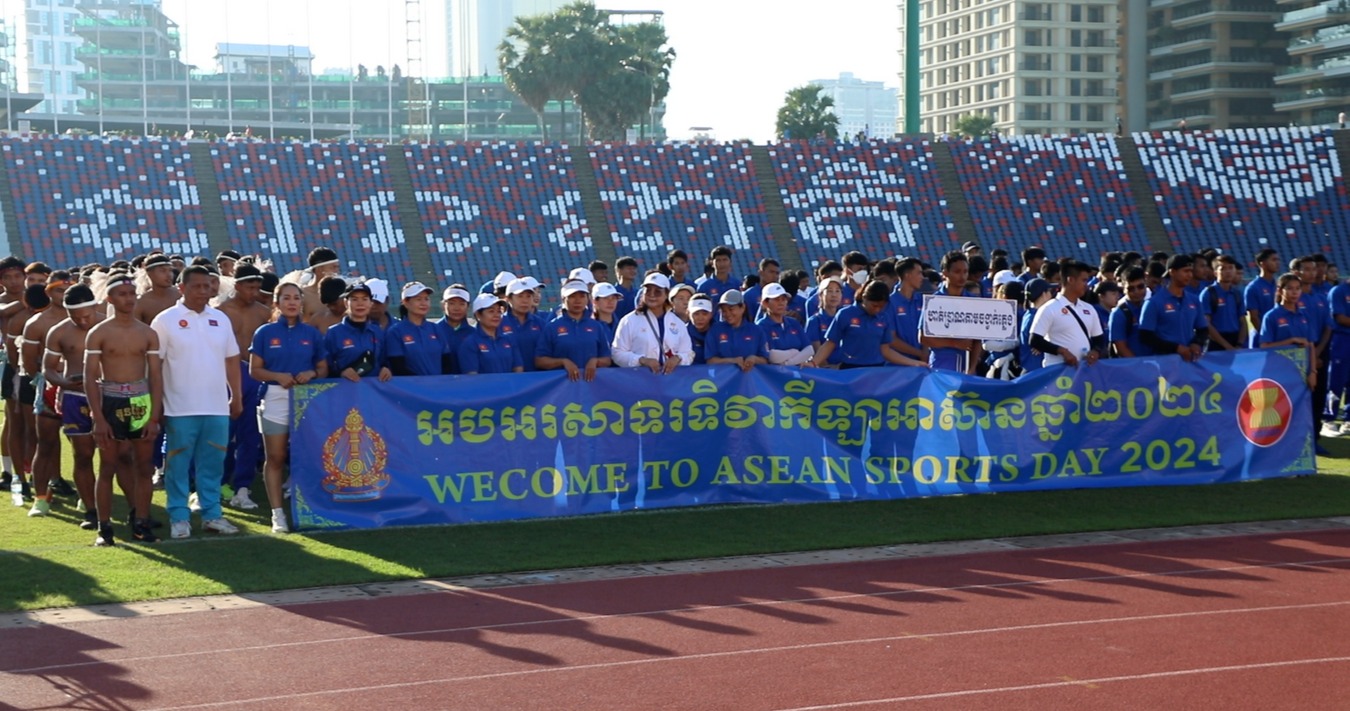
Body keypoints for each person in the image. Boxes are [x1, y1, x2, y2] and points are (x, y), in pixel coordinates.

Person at [150, 265, 244, 539]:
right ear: (182, 288)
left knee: (213, 463)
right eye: (197, 286)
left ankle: (212, 514)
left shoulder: (220, 319)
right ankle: (179, 516)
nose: (203, 291)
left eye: (208, 286)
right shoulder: (165, 320)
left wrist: (235, 396)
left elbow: (231, 359)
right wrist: (159, 406)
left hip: (216, 406)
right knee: (178, 465)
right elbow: (154, 366)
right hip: (180, 407)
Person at [85, 271, 164, 544]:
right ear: (109, 298)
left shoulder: (148, 333)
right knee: (108, 465)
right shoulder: (99, 333)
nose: (129, 299)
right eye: (122, 294)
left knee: (143, 466)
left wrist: (154, 415)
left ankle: (141, 523)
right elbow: (90, 377)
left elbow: (156, 376)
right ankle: (104, 528)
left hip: (140, 400)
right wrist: (98, 417)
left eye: (132, 294)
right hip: (111, 400)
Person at [249, 281, 327, 533]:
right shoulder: (264, 332)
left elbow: (323, 368)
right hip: (275, 397)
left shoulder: (312, 333)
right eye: (286, 298)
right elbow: (255, 370)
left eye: (296, 298)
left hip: (307, 398)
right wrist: (278, 376)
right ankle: (277, 514)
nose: (292, 302)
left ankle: (312, 508)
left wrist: (311, 372)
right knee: (276, 457)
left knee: (309, 456)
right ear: (277, 303)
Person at [41, 284, 103, 534]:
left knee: (119, 457)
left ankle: (134, 511)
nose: (81, 321)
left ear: (95, 307)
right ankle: (91, 510)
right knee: (83, 454)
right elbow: (48, 368)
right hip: (75, 397)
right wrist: (64, 383)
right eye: (75, 317)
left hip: (108, 396)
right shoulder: (58, 332)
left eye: (86, 315)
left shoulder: (109, 325)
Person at [217, 264, 271, 511]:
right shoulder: (220, 313)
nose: (255, 292)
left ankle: (243, 487)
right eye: (250, 287)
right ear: (237, 286)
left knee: (251, 434)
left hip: (254, 374)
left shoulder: (263, 312)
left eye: (258, 287)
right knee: (222, 434)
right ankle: (216, 483)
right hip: (227, 374)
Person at [22, 273, 74, 516]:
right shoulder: (37, 323)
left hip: (81, 388)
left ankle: (87, 497)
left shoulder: (88, 318)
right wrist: (44, 381)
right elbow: (29, 361)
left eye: (67, 290)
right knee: (46, 443)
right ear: (48, 292)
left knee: (85, 446)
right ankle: (41, 498)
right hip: (50, 388)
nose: (63, 296)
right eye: (58, 291)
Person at [811, 280, 926, 369]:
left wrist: (915, 363)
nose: (877, 310)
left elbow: (885, 351)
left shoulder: (884, 317)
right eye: (874, 306)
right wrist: (813, 363)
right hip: (851, 369)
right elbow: (830, 343)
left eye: (881, 307)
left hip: (876, 370)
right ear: (864, 298)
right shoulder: (845, 314)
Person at [1029, 261, 1105, 368]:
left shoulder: (1089, 308)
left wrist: (1096, 351)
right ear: (1070, 280)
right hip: (1057, 372)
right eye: (1083, 280)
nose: (1086, 285)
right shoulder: (1049, 308)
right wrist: (1061, 351)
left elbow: (1099, 338)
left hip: (1083, 370)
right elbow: (1035, 340)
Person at [613, 273, 694, 373]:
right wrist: (641, 360)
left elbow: (688, 353)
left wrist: (678, 358)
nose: (652, 295)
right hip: (639, 380)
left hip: (670, 382)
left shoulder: (678, 323)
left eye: (657, 292)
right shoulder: (629, 320)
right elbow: (617, 353)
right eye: (648, 291)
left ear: (666, 294)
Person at [536, 280, 612, 381]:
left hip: (592, 387)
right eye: (572, 296)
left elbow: (607, 359)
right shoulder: (552, 327)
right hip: (561, 387)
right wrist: (563, 362)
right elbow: (539, 360)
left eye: (582, 296)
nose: (577, 300)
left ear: (587, 299)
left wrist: (596, 361)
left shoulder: (596, 326)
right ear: (563, 299)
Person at [1138, 254, 1209, 363]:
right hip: (1164, 363)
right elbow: (1146, 336)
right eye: (1185, 271)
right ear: (1172, 272)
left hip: (1189, 361)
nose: (1189, 275)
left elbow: (1203, 330)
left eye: (1191, 271)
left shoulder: (1194, 300)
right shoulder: (1154, 302)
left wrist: (1197, 343)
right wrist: (1176, 348)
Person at [921, 251, 983, 373]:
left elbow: (977, 339)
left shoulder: (973, 301)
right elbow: (923, 338)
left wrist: (972, 367)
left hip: (966, 368)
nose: (962, 276)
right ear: (945, 273)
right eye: (957, 272)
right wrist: (954, 343)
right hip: (941, 366)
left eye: (965, 272)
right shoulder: (934, 301)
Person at [1259, 273, 1317, 393]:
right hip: (1278, 371)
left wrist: (1312, 371)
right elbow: (1264, 346)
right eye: (1290, 288)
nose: (1294, 292)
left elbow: (1310, 345)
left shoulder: (1304, 315)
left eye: (1297, 288)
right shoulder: (1271, 316)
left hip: (1301, 371)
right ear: (1280, 291)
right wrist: (1291, 341)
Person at [325, 281, 393, 382]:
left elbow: (384, 360)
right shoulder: (333, 333)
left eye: (365, 299)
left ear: (370, 303)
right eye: (354, 299)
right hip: (345, 390)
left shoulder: (378, 332)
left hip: (374, 391)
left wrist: (386, 369)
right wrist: (340, 372)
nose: (360, 303)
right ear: (345, 303)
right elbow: (325, 365)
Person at [387, 282, 451, 376]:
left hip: (438, 386)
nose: (423, 303)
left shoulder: (435, 329)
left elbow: (446, 362)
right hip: (412, 388)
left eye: (426, 299)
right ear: (405, 302)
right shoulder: (396, 332)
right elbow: (397, 366)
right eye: (418, 299)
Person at [705, 290, 769, 372]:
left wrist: (754, 359)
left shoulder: (757, 331)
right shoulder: (715, 330)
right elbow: (710, 361)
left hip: (751, 381)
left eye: (731, 309)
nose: (727, 314)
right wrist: (732, 361)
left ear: (742, 307)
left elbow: (765, 360)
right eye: (724, 311)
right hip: (723, 381)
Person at [459, 293, 523, 374]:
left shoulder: (509, 339)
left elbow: (518, 368)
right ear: (478, 315)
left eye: (499, 311)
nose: (496, 315)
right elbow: (472, 375)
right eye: (491, 311)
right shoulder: (470, 343)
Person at [756, 283, 813, 366]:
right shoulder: (761, 326)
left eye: (783, 299)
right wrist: (795, 352)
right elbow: (771, 356)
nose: (781, 303)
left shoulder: (794, 323)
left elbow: (809, 350)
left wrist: (788, 363)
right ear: (765, 303)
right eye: (776, 299)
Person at [1201, 255, 1246, 351]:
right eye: (1223, 268)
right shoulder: (1208, 293)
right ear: (1215, 272)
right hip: (1215, 342)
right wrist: (1226, 346)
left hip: (1235, 340)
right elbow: (1206, 323)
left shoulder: (1236, 293)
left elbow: (1243, 321)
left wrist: (1239, 344)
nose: (1228, 271)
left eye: (1231, 268)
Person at [501, 278, 546, 372]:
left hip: (538, 380)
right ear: (509, 299)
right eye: (520, 296)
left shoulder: (541, 323)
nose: (525, 301)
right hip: (508, 381)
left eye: (528, 296)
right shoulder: (498, 323)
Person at [1109, 267, 1151, 358]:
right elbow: (1120, 348)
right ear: (1123, 288)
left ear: (1146, 284)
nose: (1136, 292)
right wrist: (1140, 365)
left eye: (1140, 287)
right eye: (1131, 289)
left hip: (1158, 365)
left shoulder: (1152, 307)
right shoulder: (1119, 314)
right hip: (1133, 368)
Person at [806, 276, 846, 368]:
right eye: (829, 291)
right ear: (820, 295)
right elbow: (816, 350)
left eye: (837, 291)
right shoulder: (814, 321)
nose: (834, 295)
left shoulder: (844, 318)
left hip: (846, 368)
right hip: (826, 370)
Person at [1245, 248, 1280, 348]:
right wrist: (1266, 336)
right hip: (1262, 338)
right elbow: (1254, 317)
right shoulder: (1253, 287)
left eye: (1278, 260)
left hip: (1279, 337)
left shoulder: (1279, 285)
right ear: (1262, 264)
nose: (1277, 263)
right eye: (1273, 260)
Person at [132, 253, 179, 325]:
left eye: (170, 270)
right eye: (163, 271)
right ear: (149, 273)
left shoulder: (182, 295)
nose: (169, 275)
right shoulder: (141, 303)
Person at [436, 285, 474, 374]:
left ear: (468, 306)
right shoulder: (433, 331)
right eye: (452, 303)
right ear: (443, 305)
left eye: (462, 304)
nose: (457, 308)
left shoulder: (474, 333)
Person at [1020, 278, 1054, 372]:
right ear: (1044, 294)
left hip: (1032, 369)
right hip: (1035, 371)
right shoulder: (1035, 317)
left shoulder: (1029, 314)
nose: (1051, 296)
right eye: (1049, 292)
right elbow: (1037, 343)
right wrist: (1042, 345)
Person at [300, 247, 342, 321]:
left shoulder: (342, 294)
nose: (337, 271)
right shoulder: (302, 295)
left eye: (337, 267)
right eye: (333, 267)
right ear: (319, 269)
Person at [687, 295, 714, 364]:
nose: (700, 318)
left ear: (711, 314)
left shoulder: (720, 332)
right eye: (696, 314)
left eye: (704, 314)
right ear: (688, 313)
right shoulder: (682, 332)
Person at [613, 256, 640, 322]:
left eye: (634, 269)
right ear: (619, 270)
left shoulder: (638, 293)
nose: (632, 271)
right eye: (629, 268)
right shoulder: (613, 292)